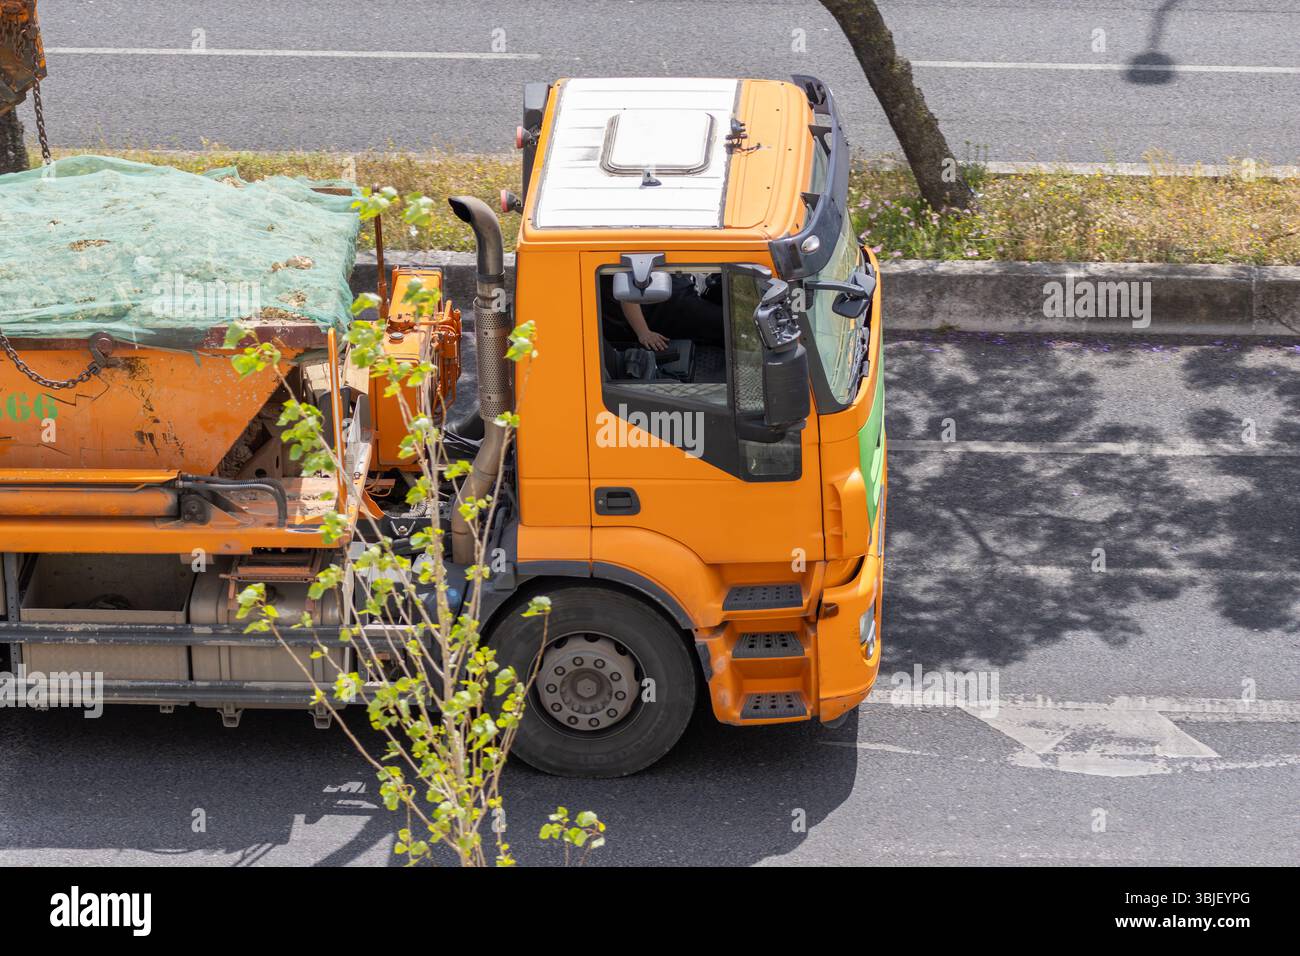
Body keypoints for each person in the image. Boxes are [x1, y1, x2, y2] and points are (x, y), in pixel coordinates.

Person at [604, 272, 725, 351]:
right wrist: (644, 332)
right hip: (665, 302)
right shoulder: (630, 242)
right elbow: (627, 293)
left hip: (682, 279)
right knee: (725, 324)